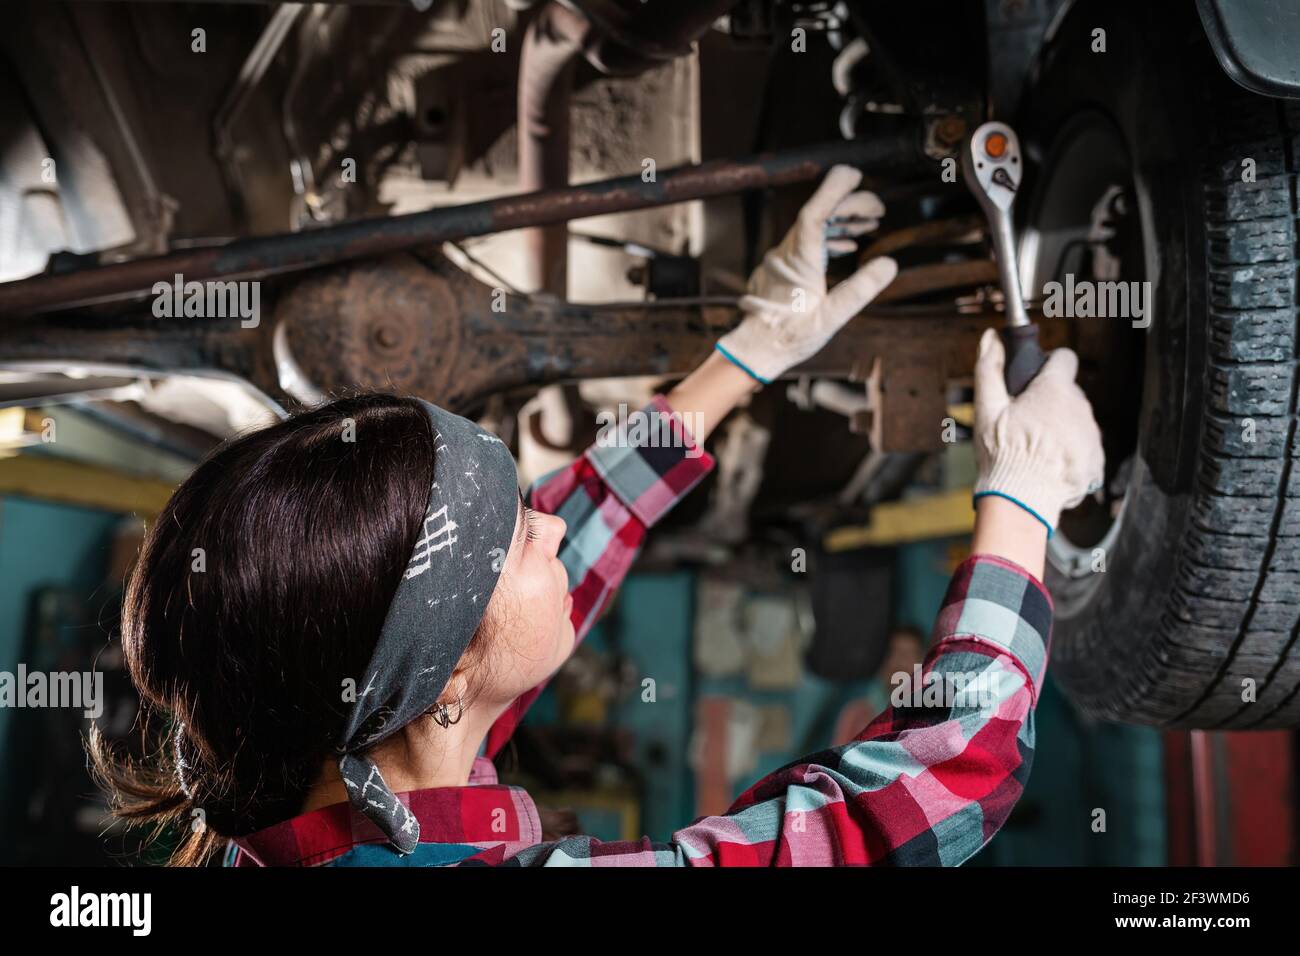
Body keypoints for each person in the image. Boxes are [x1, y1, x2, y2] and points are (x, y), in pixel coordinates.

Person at [88, 166, 1104, 866]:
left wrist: (745, 353)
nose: (552, 528)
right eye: (514, 538)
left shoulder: (352, 749)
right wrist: (1017, 500)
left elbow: (511, 576)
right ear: (437, 681)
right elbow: (912, 807)